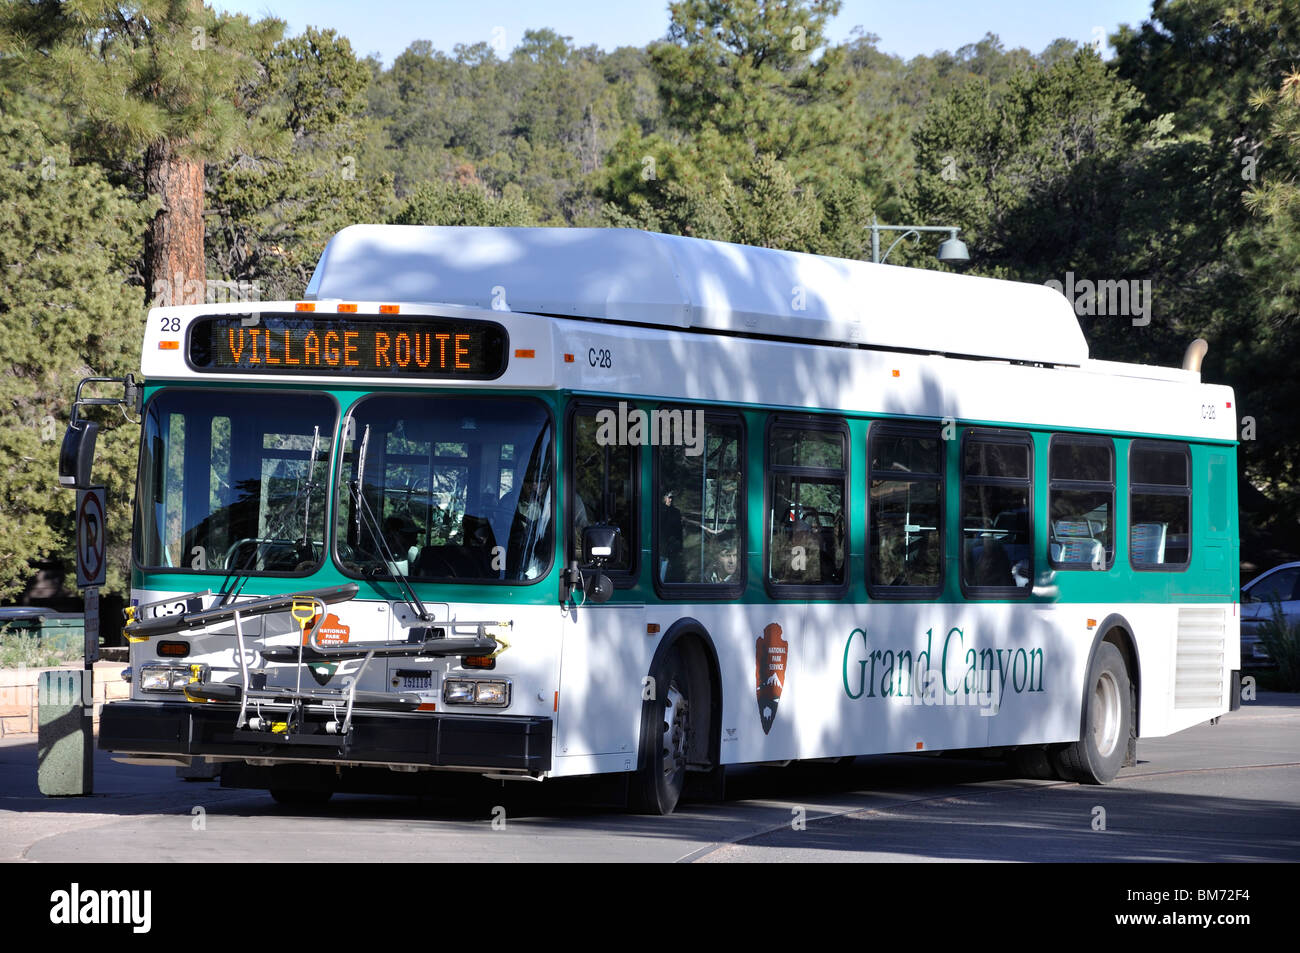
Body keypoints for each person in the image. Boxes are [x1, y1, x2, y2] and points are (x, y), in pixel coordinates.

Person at [659, 490, 683, 582]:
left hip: (671, 546)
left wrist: (677, 541)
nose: (670, 500)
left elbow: (678, 530)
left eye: (672, 498)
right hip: (660, 545)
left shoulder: (676, 512)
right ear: (663, 498)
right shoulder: (658, 511)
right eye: (668, 497)